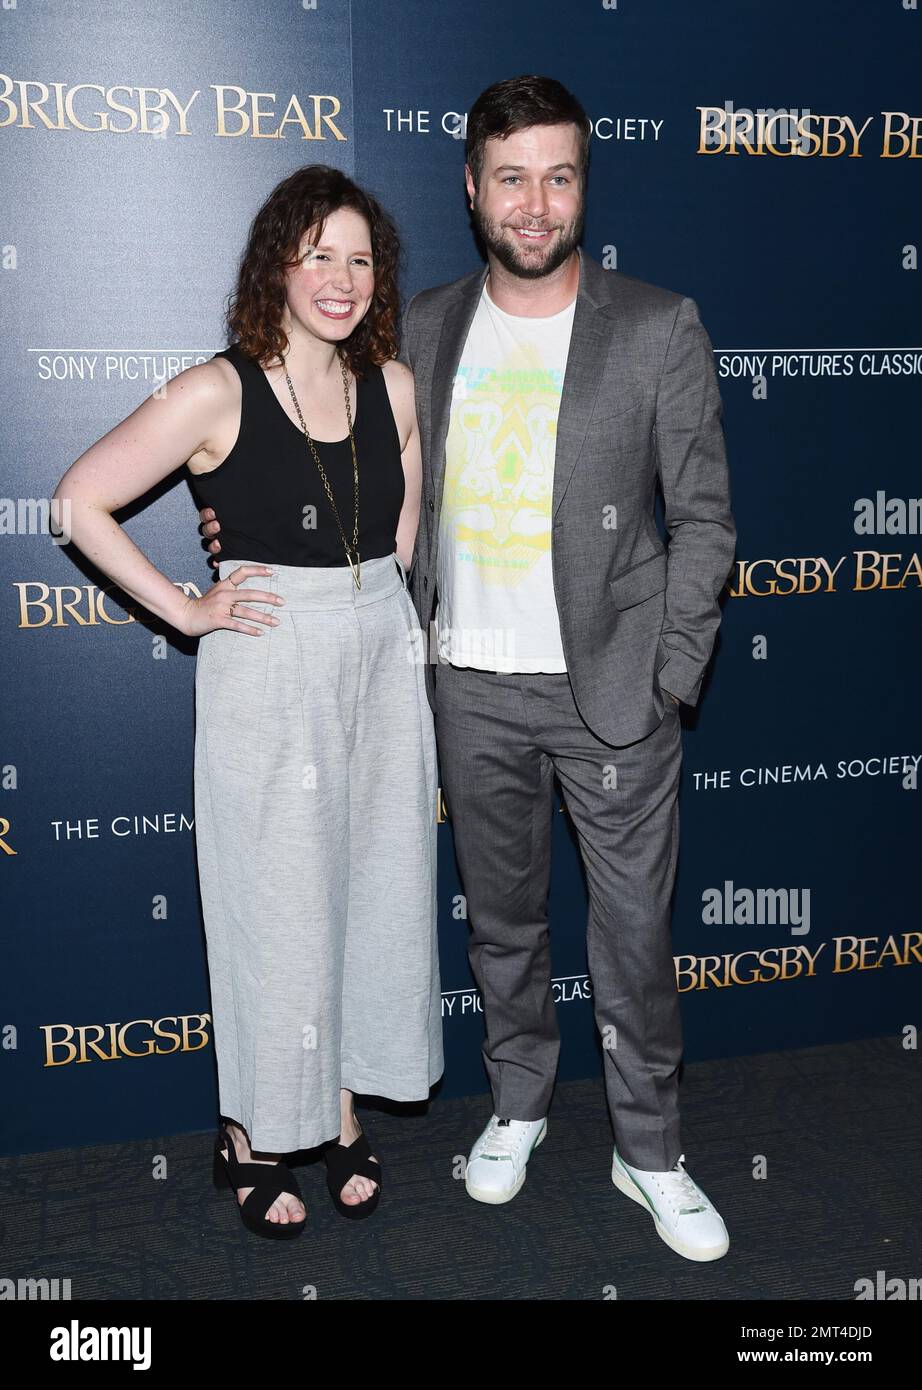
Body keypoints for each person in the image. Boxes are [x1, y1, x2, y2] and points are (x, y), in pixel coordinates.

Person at [203, 75, 737, 1262]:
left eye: (559, 175)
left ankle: (648, 1150)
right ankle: (520, 1104)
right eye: (512, 177)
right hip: (461, 684)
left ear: (582, 184)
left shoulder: (656, 324)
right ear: (472, 187)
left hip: (613, 695)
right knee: (502, 927)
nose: (536, 203)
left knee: (632, 940)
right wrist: (232, 522)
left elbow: (705, 519)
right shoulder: (425, 329)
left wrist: (670, 676)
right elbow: (329, 458)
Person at [53, 165, 442, 1239]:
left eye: (361, 258)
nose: (341, 276)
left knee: (375, 886)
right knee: (277, 902)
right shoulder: (218, 390)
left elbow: (400, 498)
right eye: (318, 252)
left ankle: (343, 1103)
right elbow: (77, 501)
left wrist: (380, 592)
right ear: (277, 262)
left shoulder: (395, 386)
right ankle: (257, 1134)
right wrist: (186, 610)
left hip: (377, 655)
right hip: (270, 664)